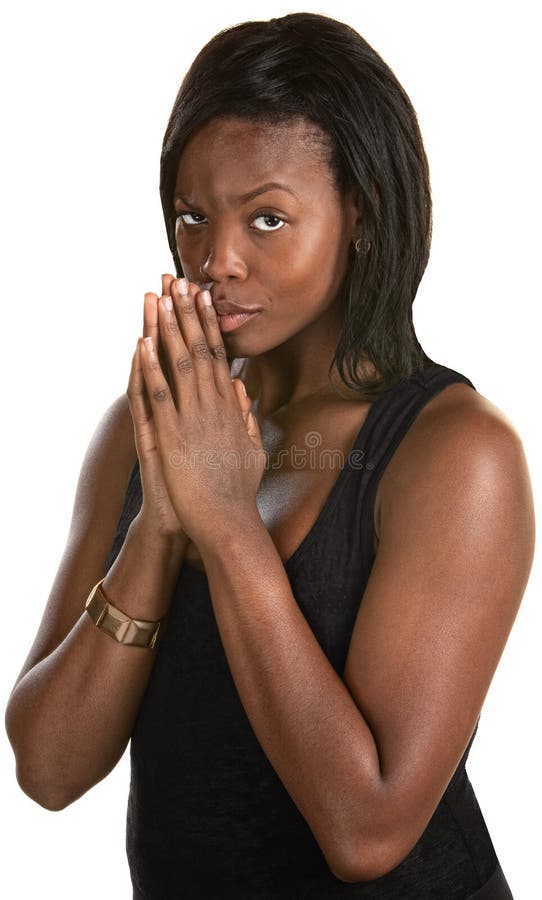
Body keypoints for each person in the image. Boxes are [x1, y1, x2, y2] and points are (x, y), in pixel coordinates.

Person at [5, 12, 534, 899]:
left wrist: (224, 524)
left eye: (268, 218)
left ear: (361, 213)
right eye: (193, 217)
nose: (217, 260)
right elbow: (48, 769)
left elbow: (367, 831)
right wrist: (158, 526)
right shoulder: (144, 431)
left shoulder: (456, 454)